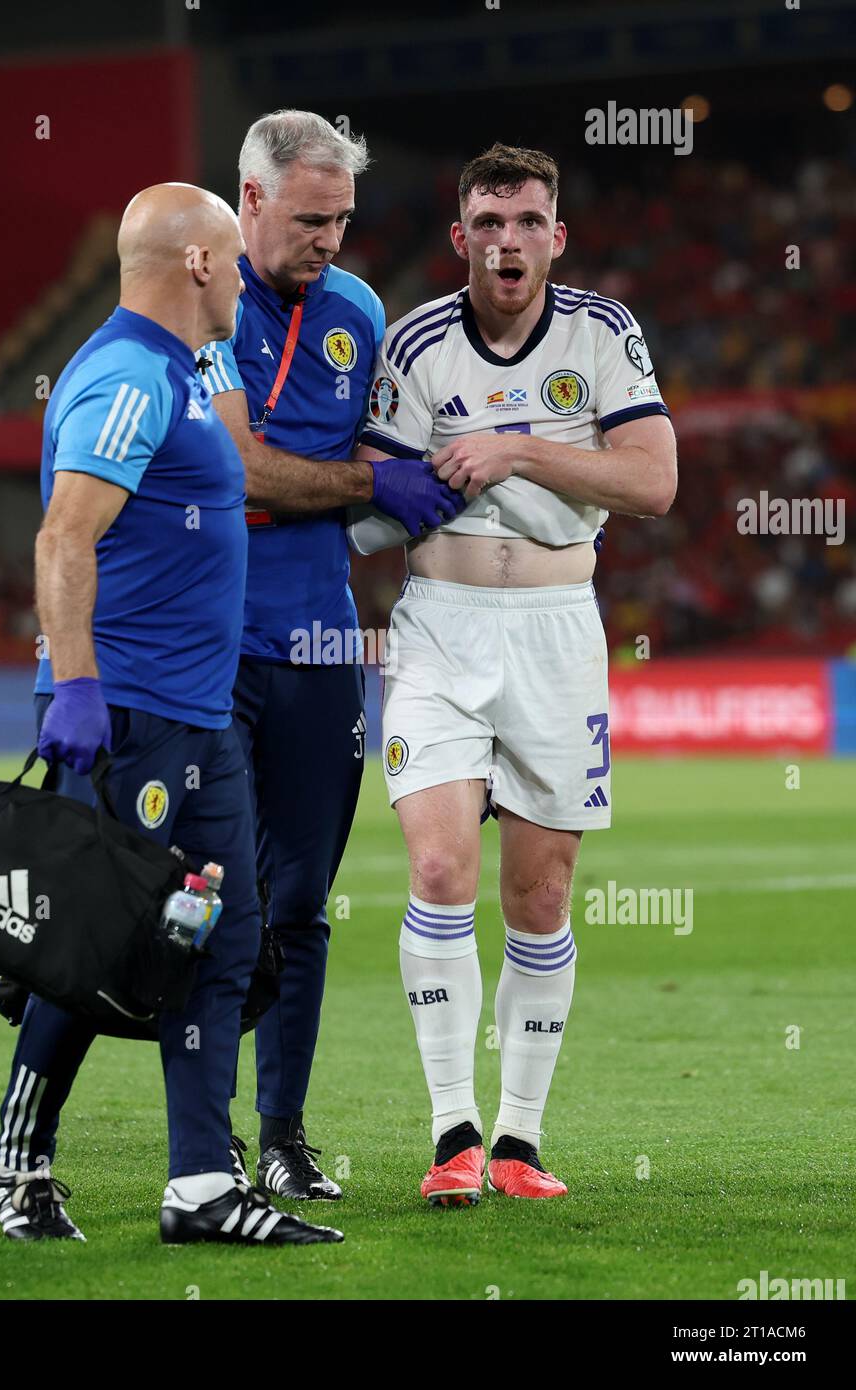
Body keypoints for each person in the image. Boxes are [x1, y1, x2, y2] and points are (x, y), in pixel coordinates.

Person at [0, 181, 342, 1246]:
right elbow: (62, 536)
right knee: (92, 948)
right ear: (193, 265)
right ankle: (19, 1162)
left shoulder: (179, 375)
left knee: (219, 941)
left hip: (199, 719)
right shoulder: (131, 376)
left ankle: (200, 1186)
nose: (242, 275)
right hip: (131, 716)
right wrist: (81, 685)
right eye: (230, 258)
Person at [353, 144, 677, 1206]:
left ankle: (519, 1139)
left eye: (526, 221)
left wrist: (516, 451)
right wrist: (417, 487)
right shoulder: (414, 343)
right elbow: (371, 507)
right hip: (440, 629)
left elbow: (654, 482)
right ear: (460, 237)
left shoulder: (603, 332)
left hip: (554, 633)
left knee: (539, 893)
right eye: (487, 222)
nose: (507, 240)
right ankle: (451, 1128)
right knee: (441, 872)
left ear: (556, 235)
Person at [199, 110, 464, 1199]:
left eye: (344, 220)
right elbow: (244, 472)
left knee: (302, 903)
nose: (330, 242)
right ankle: (200, 1135)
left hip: (318, 644)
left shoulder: (358, 311)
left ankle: (284, 1133)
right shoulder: (200, 296)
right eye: (311, 219)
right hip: (205, 646)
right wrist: (362, 486)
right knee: (208, 899)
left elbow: (383, 455)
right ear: (251, 198)